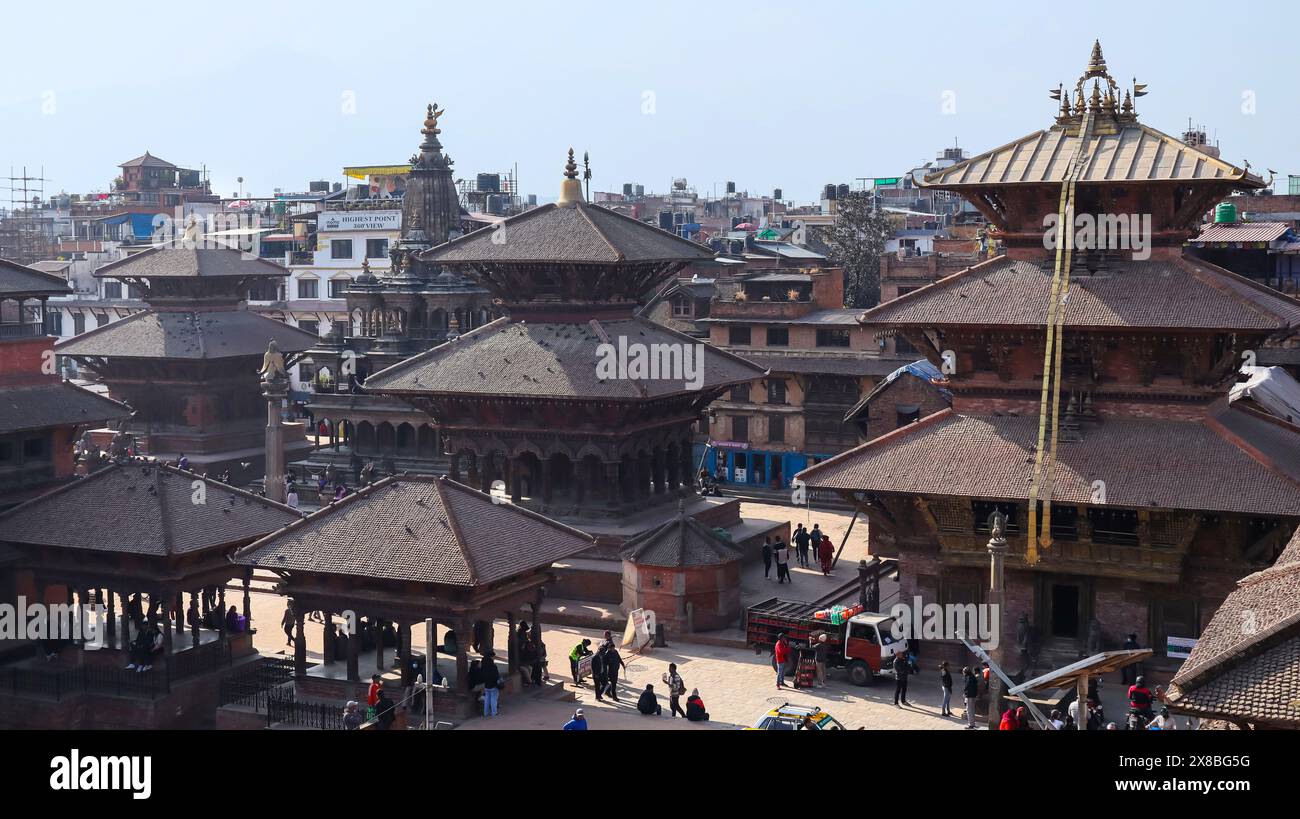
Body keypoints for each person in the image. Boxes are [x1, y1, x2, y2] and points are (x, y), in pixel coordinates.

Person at [481, 652, 501, 717]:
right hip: (493, 685)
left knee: (487, 699)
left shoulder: (483, 665)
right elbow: (496, 676)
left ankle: (486, 713)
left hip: (486, 684)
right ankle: (494, 712)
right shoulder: (493, 666)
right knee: (493, 699)